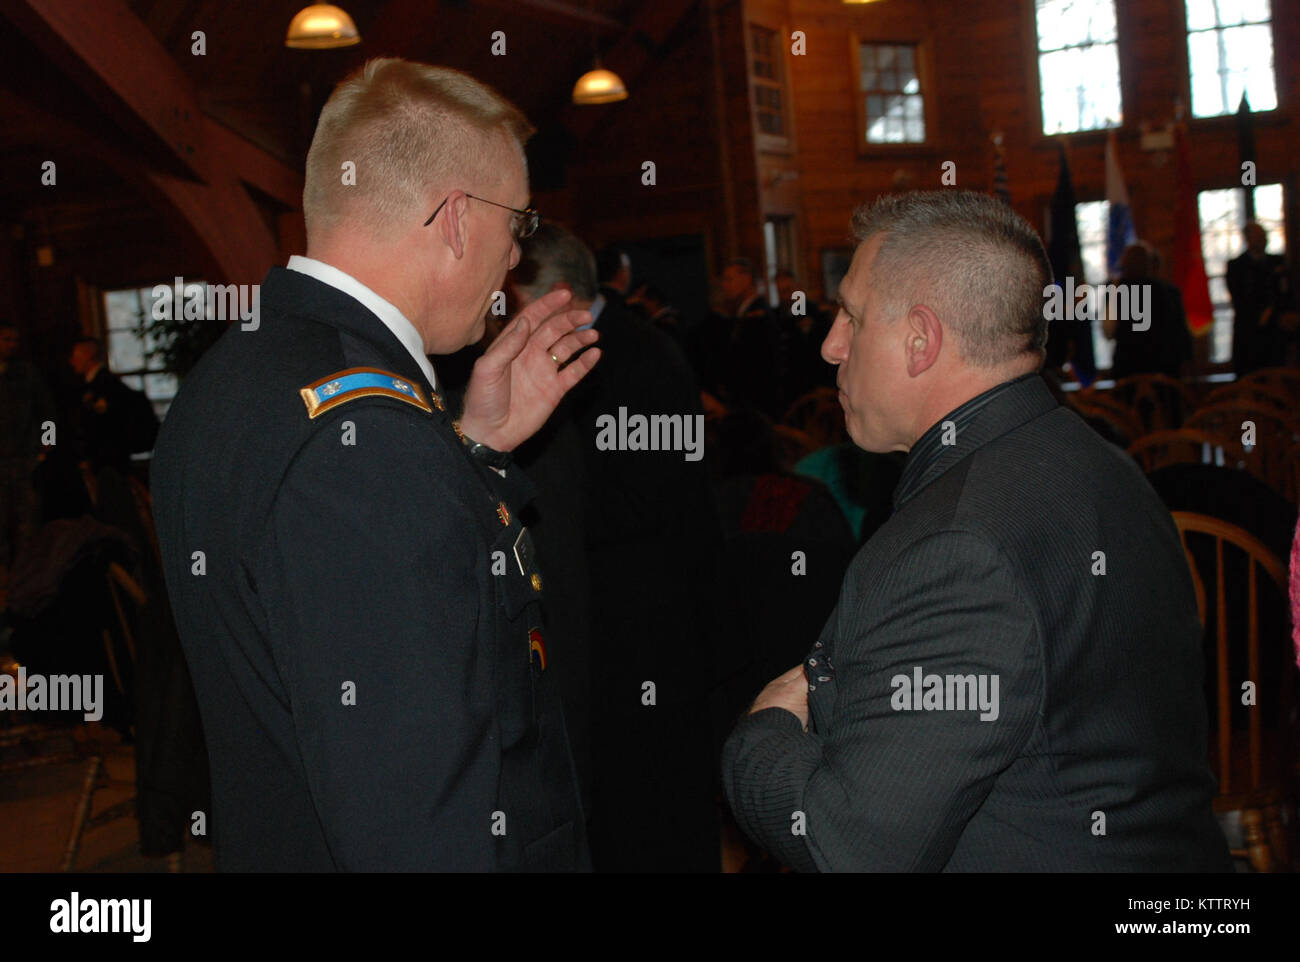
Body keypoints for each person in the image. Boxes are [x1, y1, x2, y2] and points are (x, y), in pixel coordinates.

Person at [150, 58, 600, 871]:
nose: (512, 262)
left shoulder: (236, 374)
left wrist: (474, 444)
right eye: (517, 226)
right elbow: (413, 822)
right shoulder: (368, 441)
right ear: (459, 218)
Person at [721, 190, 1231, 872]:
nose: (831, 344)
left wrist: (765, 729)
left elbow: (848, 846)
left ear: (921, 339)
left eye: (852, 314)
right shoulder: (1103, 462)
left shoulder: (957, 548)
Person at [513, 224, 722, 871]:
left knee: (656, 818)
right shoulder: (596, 351)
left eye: (520, 311)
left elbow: (646, 500)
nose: (511, 328)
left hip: (650, 635)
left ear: (565, 298)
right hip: (608, 632)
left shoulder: (643, 359)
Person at [0, 322, 54, 577]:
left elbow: (47, 413)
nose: (11, 345)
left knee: (28, 520)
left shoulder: (28, 374)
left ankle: (25, 575)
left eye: (14, 340)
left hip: (24, 459)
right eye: (6, 339)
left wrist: (46, 445)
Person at [68, 336, 159, 473]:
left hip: (108, 460)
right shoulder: (98, 385)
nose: (72, 362)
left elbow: (103, 426)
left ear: (88, 356)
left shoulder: (104, 387)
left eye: (76, 356)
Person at [1104, 242, 1192, 380]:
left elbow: (1108, 332)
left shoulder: (1117, 290)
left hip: (1127, 371)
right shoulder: (1169, 291)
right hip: (1165, 372)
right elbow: (1181, 336)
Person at [1227, 222, 1294, 375]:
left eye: (1263, 236)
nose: (1262, 239)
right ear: (1248, 239)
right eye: (1257, 236)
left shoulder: (1278, 262)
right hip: (1249, 334)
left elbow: (1285, 293)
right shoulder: (1237, 266)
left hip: (1275, 335)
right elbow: (1242, 300)